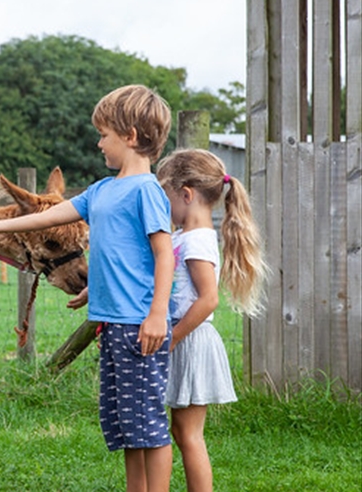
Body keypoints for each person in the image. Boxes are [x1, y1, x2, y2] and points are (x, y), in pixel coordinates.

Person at [0, 84, 175, 492]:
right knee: (126, 423)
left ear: (130, 137)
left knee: (147, 423)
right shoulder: (103, 191)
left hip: (139, 326)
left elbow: (164, 255)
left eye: (104, 135)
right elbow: (45, 218)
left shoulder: (146, 191)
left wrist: (158, 314)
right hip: (112, 324)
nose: (99, 143)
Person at [156, 149, 267, 492]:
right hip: (182, 337)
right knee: (181, 430)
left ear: (186, 194)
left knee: (189, 434)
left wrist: (172, 338)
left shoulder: (198, 240)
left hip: (190, 340)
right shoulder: (183, 236)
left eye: (166, 198)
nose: (163, 208)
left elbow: (208, 299)